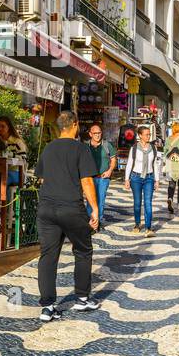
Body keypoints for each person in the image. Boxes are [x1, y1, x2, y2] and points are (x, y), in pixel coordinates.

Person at [33, 110, 101, 322]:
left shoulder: (48, 148)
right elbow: (87, 181)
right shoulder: (80, 149)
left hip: (46, 208)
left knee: (48, 255)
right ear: (75, 125)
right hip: (71, 207)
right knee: (82, 250)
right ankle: (82, 298)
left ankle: (47, 307)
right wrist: (95, 208)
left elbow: (42, 179)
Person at [123, 124, 163, 235]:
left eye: (149, 135)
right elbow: (130, 164)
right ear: (140, 135)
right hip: (136, 178)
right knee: (137, 203)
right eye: (146, 135)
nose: (148, 137)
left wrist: (157, 180)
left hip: (149, 178)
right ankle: (137, 224)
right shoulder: (134, 148)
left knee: (148, 203)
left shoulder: (153, 148)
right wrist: (127, 179)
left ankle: (148, 228)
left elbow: (155, 164)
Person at [85, 122, 116, 226]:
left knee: (101, 199)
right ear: (90, 134)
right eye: (95, 133)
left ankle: (98, 221)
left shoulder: (107, 145)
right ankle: (90, 221)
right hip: (89, 178)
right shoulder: (85, 146)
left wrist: (109, 171)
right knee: (90, 199)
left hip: (103, 178)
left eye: (99, 133)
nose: (98, 135)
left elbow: (113, 159)